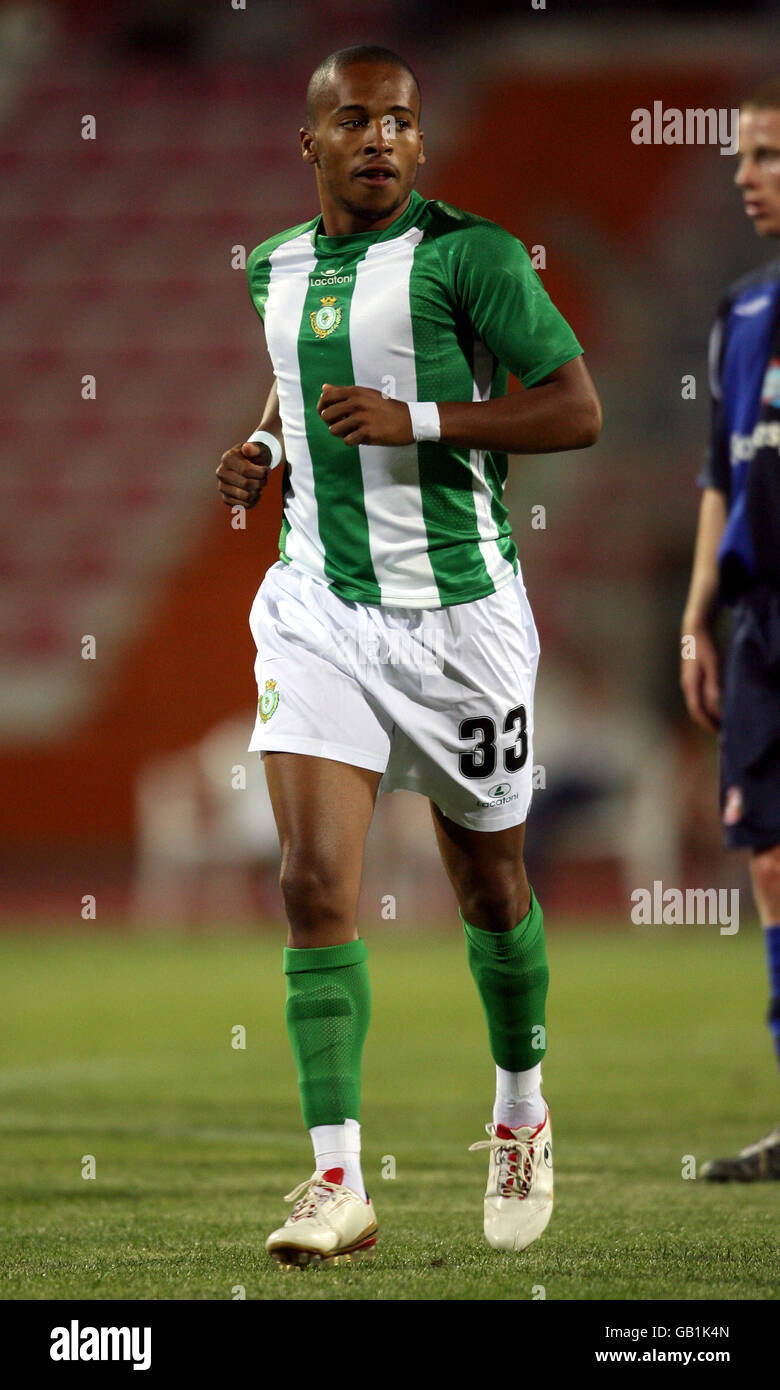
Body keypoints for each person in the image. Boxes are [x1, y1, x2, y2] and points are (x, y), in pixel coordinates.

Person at [217, 44, 601, 1264]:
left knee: (492, 889)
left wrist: (419, 421)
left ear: (422, 144)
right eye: (354, 121)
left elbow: (575, 406)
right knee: (312, 882)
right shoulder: (273, 267)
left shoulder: (469, 257)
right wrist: (263, 452)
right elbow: (295, 379)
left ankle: (521, 1113)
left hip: (464, 620)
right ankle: (337, 1180)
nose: (379, 139)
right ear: (311, 143)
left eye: (399, 122)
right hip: (319, 606)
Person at [680, 77, 780, 1182]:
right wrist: (695, 611)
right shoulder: (741, 313)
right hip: (758, 621)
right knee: (769, 863)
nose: (746, 176)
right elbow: (721, 470)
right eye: (739, 158)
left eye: (768, 156)